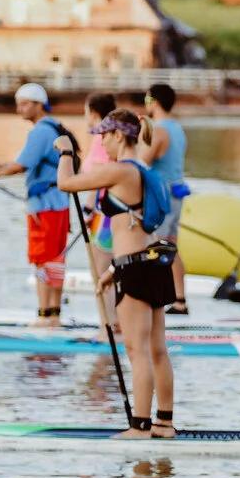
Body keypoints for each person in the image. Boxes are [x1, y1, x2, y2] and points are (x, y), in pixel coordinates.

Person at [53, 109, 179, 438]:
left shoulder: (120, 171)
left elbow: (66, 183)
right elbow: (134, 229)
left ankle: (140, 427)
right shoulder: (143, 170)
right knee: (157, 350)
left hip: (136, 267)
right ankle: (163, 423)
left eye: (104, 136)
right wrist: (111, 269)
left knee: (137, 351)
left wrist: (67, 150)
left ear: (119, 136)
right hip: (152, 261)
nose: (102, 143)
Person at [0, 82, 73, 322]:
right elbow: (28, 162)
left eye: (23, 104)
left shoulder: (41, 130)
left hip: (46, 206)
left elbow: (22, 164)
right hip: (59, 203)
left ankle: (44, 316)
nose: (19, 109)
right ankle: (54, 315)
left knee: (43, 259)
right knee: (55, 258)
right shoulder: (53, 127)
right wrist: (4, 166)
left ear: (38, 105)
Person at [141, 83, 190, 313]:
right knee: (171, 246)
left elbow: (142, 162)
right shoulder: (177, 128)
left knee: (155, 245)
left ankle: (155, 297)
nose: (145, 104)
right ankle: (179, 299)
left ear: (155, 102)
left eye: (147, 100)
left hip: (162, 197)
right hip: (177, 193)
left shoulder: (159, 130)